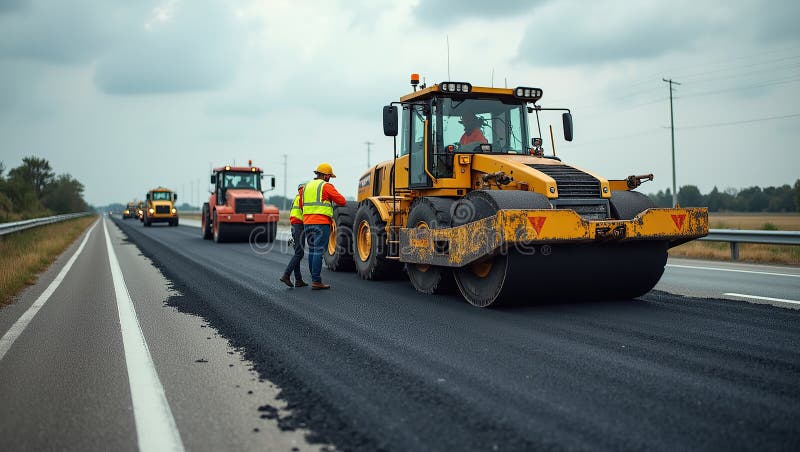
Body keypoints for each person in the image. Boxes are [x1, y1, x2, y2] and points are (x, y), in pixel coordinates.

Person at [302, 163, 346, 290]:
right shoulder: (325, 186)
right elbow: (342, 201)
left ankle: (313, 278)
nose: (330, 178)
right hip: (320, 223)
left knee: (312, 250)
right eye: (330, 176)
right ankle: (316, 281)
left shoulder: (307, 186)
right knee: (318, 251)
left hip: (307, 222)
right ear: (326, 176)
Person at [279, 183, 308, 288]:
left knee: (297, 252)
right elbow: (305, 210)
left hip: (294, 226)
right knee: (299, 253)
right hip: (299, 226)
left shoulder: (295, 198)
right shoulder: (302, 196)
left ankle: (298, 280)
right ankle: (286, 275)